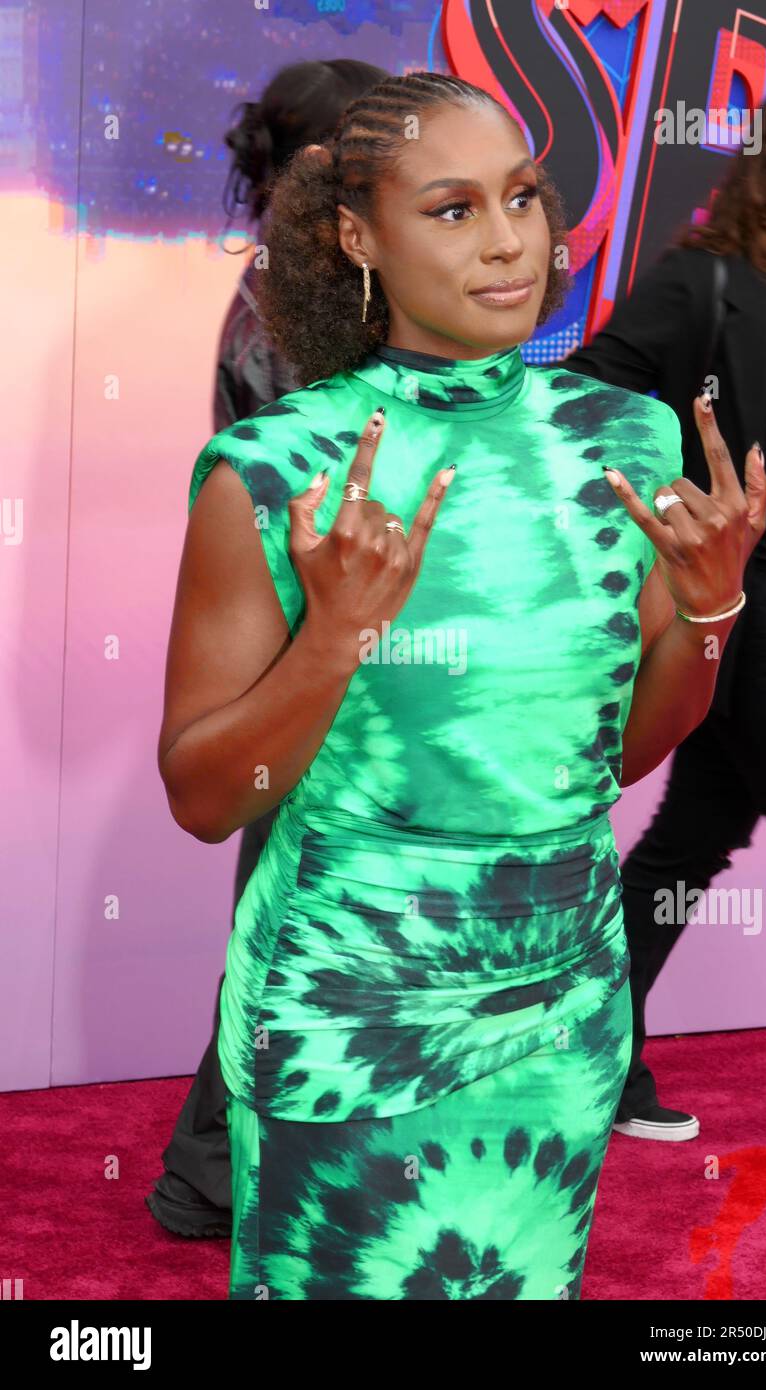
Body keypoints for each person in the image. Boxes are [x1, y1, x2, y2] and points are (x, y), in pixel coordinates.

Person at [158, 70, 766, 1300]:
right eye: (452, 210)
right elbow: (209, 797)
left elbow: (622, 758)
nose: (508, 244)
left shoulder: (629, 439)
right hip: (348, 1006)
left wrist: (709, 609)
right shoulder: (274, 467)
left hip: (563, 1000)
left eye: (525, 199)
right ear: (357, 236)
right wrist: (334, 637)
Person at [146, 58, 388, 1240]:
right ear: (314, 171)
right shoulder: (294, 315)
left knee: (296, 923)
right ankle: (208, 1171)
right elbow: (324, 493)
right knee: (292, 925)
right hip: (309, 665)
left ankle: (213, 1168)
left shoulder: (312, 296)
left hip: (329, 656)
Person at [562, 81, 766, 1143]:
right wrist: (674, 515)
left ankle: (590, 1061)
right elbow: (583, 402)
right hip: (760, 624)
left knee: (686, 846)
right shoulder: (707, 286)